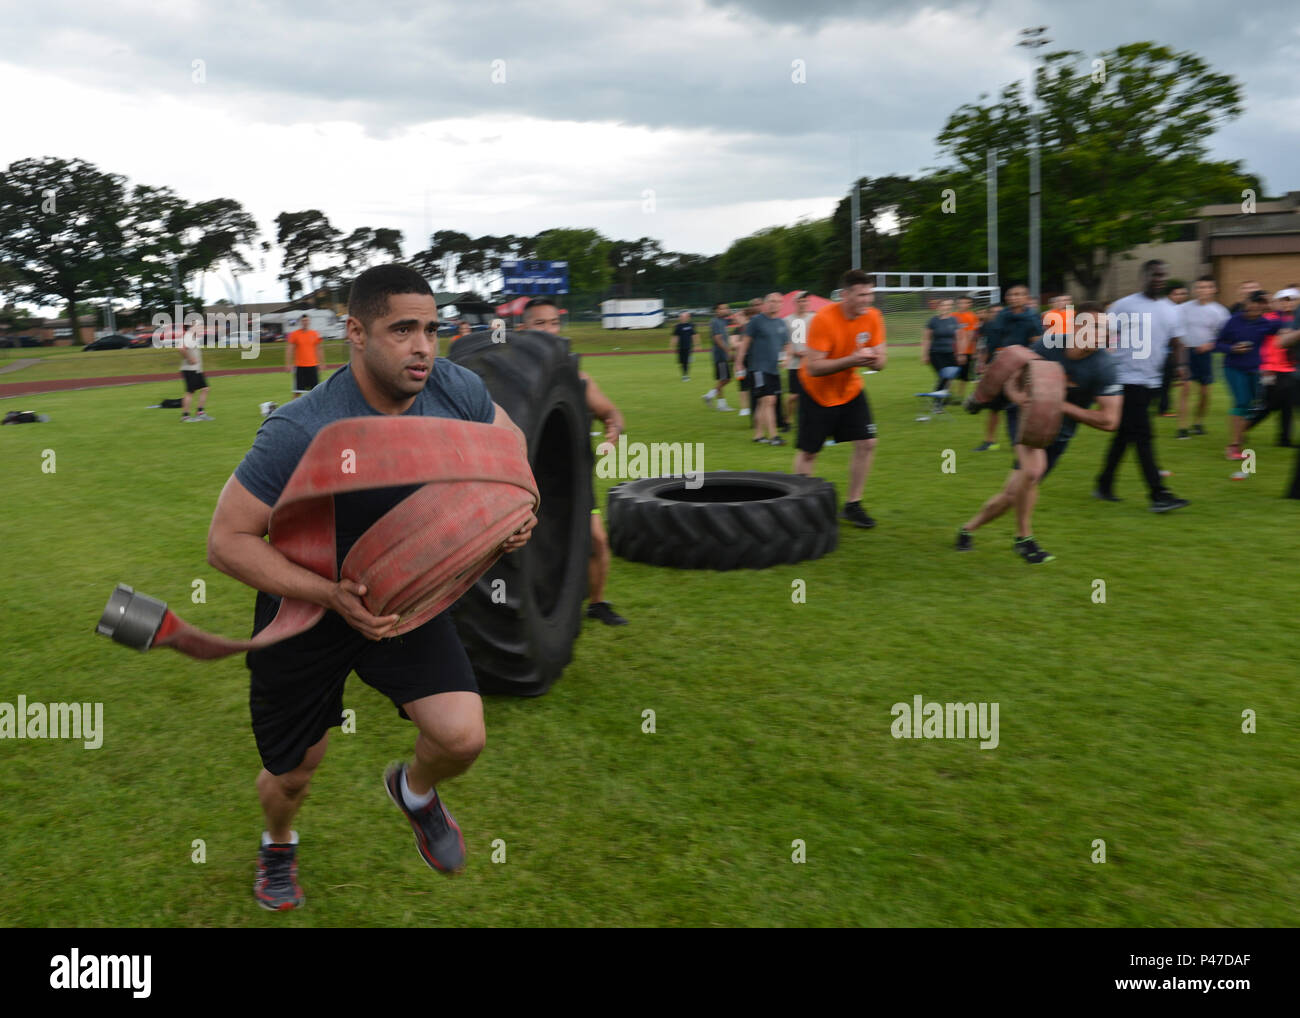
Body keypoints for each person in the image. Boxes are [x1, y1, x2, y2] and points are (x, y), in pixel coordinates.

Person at [206, 264, 537, 910]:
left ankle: (413, 792)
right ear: (355, 333)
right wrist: (331, 596)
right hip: (306, 610)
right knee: (295, 772)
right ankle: (279, 844)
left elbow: (511, 446)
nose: (423, 347)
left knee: (462, 736)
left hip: (402, 599)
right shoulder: (303, 429)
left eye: (432, 330)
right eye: (402, 330)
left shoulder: (455, 390)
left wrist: (517, 508)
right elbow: (226, 541)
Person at [957, 301, 1122, 563]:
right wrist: (1016, 394)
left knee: (1013, 494)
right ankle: (1024, 539)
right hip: (1025, 415)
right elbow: (1014, 373)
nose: (1102, 334)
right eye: (1095, 327)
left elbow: (1110, 421)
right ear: (1077, 327)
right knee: (1033, 471)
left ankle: (967, 530)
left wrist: (1059, 403)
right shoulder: (1051, 344)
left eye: (1105, 329)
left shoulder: (1105, 367)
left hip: (1059, 432)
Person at [520, 297, 629, 626]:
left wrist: (614, 428)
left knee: (597, 540)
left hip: (574, 481)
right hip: (529, 483)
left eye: (554, 323)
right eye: (540, 324)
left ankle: (597, 603)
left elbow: (611, 412)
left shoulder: (579, 381)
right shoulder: (514, 379)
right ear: (522, 330)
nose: (550, 330)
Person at [1093, 259, 1190, 511]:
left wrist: (1181, 366)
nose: (1159, 279)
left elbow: (1178, 341)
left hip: (1152, 381)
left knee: (1126, 435)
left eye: (1163, 276)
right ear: (1143, 277)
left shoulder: (1171, 309)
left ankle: (1104, 484)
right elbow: (1100, 335)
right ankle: (1158, 494)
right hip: (1126, 379)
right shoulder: (1124, 306)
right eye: (1155, 275)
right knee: (1144, 435)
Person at [794, 269, 886, 528]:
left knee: (867, 442)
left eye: (870, 294)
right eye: (861, 295)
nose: (867, 300)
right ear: (845, 295)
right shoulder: (824, 319)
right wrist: (853, 360)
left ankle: (853, 505)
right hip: (817, 392)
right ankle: (800, 508)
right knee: (810, 452)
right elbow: (814, 367)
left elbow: (882, 360)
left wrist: (875, 360)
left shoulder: (874, 317)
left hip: (850, 389)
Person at [1216, 289, 1285, 463]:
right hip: (1233, 367)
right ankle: (1233, 446)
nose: (1255, 306)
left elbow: (1285, 324)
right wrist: (1232, 348)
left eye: (1260, 303)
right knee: (1242, 401)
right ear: (1246, 303)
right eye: (1253, 302)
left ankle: (1239, 434)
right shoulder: (1234, 321)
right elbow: (1218, 343)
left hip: (1254, 369)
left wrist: (1273, 306)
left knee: (1254, 404)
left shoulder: (1266, 323)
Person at [973, 285, 1041, 451]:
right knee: (994, 406)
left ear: (1026, 298)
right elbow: (994, 340)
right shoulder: (1002, 315)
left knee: (1021, 405)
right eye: (1011, 294)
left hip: (1024, 366)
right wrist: (987, 363)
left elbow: (1037, 342)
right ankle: (990, 441)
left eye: (1018, 294)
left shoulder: (1032, 317)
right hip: (1003, 364)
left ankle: (1022, 441)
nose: (1014, 297)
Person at [1176, 275, 1228, 439]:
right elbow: (1175, 329)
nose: (1203, 290)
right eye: (1199, 287)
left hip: (1205, 355)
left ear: (1214, 289)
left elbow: (1224, 337)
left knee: (1205, 393)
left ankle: (1198, 423)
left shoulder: (1220, 311)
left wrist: (1210, 345)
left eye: (1207, 287)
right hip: (1187, 353)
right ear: (1194, 290)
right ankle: (1182, 428)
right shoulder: (1183, 308)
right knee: (1185, 390)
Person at [1246, 288, 1299, 448]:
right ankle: (1243, 427)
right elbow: (1264, 346)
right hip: (1272, 369)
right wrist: (1266, 367)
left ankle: (1284, 439)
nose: (1287, 303)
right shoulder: (1269, 319)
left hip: (1290, 369)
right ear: (1277, 302)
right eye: (1283, 300)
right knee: (1270, 405)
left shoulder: (1295, 319)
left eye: (1290, 300)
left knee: (1287, 405)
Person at [734, 292, 788, 446]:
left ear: (781, 304)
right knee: (769, 400)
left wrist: (786, 358)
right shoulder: (756, 321)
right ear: (766, 303)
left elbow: (787, 344)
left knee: (762, 403)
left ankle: (758, 435)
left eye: (778, 301)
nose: (774, 304)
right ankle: (774, 436)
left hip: (773, 369)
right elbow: (745, 342)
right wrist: (739, 361)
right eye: (771, 301)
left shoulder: (781, 323)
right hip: (758, 368)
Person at [783, 292, 816, 426]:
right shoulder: (787, 320)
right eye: (800, 301)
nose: (803, 303)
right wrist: (794, 352)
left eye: (805, 301)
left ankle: (809, 420)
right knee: (794, 396)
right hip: (795, 364)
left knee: (811, 394)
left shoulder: (814, 318)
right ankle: (787, 419)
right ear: (795, 303)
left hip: (811, 363)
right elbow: (785, 342)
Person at [1157, 281, 1189, 416]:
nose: (1181, 297)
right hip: (1164, 350)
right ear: (1170, 294)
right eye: (1178, 294)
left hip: (1165, 349)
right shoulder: (1171, 309)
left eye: (1183, 294)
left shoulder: (1167, 307)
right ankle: (1163, 409)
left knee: (1163, 380)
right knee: (1165, 381)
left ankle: (1161, 406)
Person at [920, 297, 960, 394]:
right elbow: (927, 339)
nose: (946, 307)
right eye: (944, 305)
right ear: (939, 307)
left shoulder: (954, 320)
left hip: (950, 353)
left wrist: (959, 354)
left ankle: (943, 397)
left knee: (949, 377)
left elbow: (958, 338)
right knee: (944, 376)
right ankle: (937, 403)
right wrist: (925, 355)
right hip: (936, 353)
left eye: (949, 305)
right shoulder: (933, 321)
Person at [702, 302, 735, 411]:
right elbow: (718, 339)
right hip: (720, 355)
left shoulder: (723, 321)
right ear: (716, 310)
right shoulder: (715, 321)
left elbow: (736, 319)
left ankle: (721, 404)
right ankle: (709, 396)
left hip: (721, 354)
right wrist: (727, 351)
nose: (725, 310)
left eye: (726, 308)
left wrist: (729, 312)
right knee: (726, 379)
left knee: (722, 379)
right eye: (722, 308)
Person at [285, 314, 326, 400]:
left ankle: (317, 410)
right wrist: (288, 364)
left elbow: (319, 349)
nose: (305, 322)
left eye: (307, 320)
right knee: (297, 392)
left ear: (309, 321)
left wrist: (322, 363)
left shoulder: (315, 334)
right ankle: (293, 410)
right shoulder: (295, 334)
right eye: (303, 321)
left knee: (316, 391)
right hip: (300, 367)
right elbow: (289, 349)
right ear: (300, 322)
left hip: (313, 366)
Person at [179, 317, 212, 422]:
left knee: (205, 388)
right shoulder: (188, 336)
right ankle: (185, 416)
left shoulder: (193, 336)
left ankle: (200, 413)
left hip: (196, 369)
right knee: (190, 392)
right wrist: (190, 359)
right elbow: (181, 348)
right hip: (190, 369)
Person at [951, 294, 980, 401]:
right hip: (954, 350)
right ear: (957, 304)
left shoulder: (972, 316)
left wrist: (971, 351)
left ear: (970, 304)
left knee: (963, 376)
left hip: (966, 351)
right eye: (960, 303)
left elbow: (972, 335)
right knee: (951, 373)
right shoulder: (952, 315)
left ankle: (960, 396)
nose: (962, 305)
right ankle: (950, 395)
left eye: (965, 302)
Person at [672, 311, 695, 381]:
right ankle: (684, 374)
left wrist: (697, 345)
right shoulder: (678, 326)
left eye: (684, 317)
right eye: (681, 317)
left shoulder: (691, 325)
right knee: (682, 362)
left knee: (687, 362)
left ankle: (686, 375)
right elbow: (675, 336)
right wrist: (673, 345)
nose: (682, 318)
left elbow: (694, 335)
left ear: (687, 318)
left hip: (689, 347)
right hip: (681, 347)